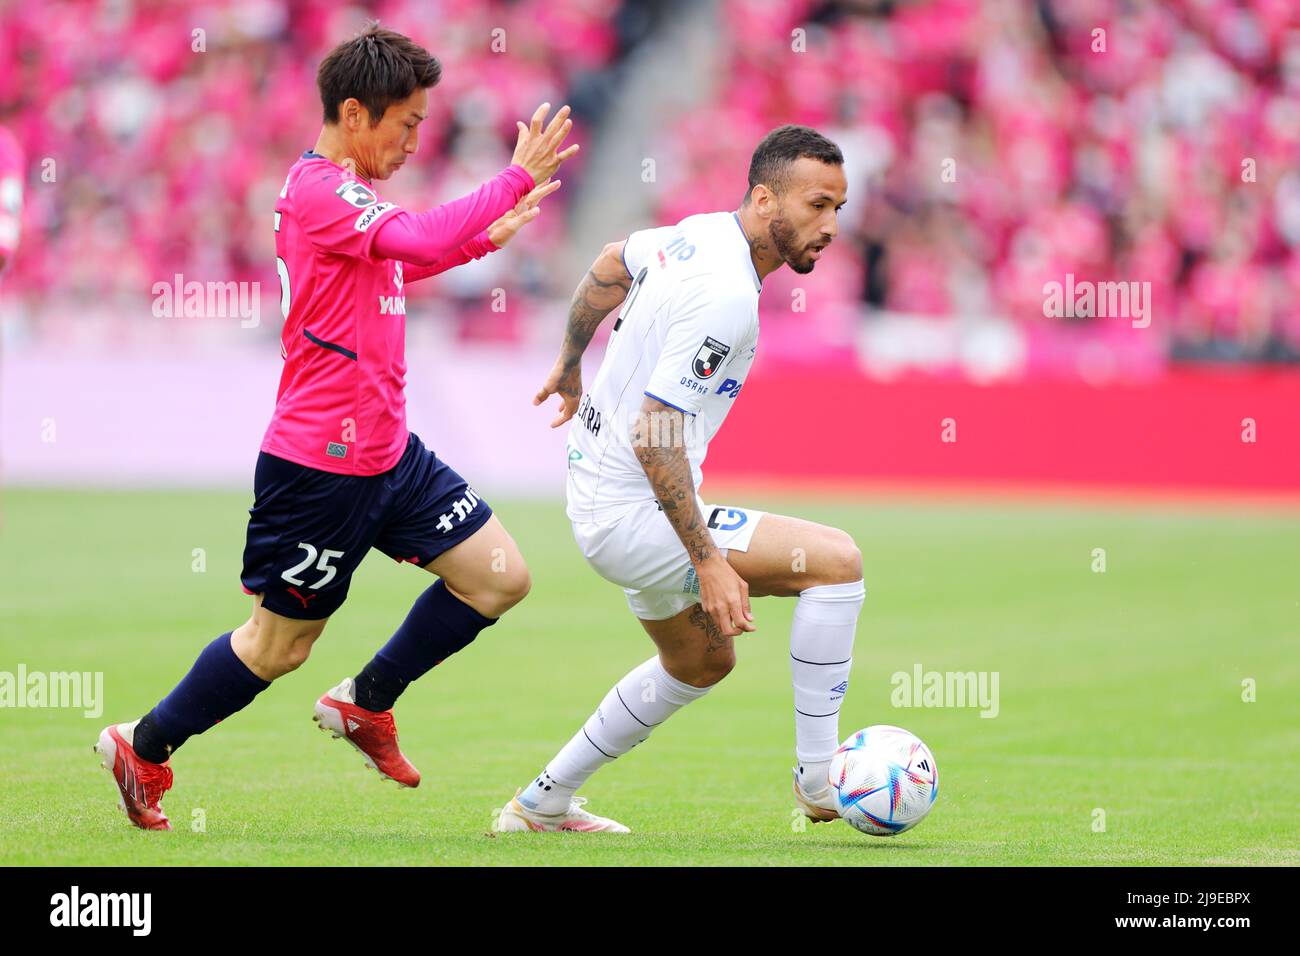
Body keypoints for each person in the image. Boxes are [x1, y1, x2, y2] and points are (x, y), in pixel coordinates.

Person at [95, 24, 577, 831]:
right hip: (320, 468)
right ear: (355, 113)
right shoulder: (320, 189)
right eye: (407, 123)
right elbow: (417, 236)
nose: (415, 140)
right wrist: (508, 181)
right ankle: (143, 745)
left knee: (498, 577)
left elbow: (404, 258)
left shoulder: (349, 198)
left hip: (389, 455)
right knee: (277, 647)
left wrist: (481, 240)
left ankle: (366, 702)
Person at [496, 125, 863, 832]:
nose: (831, 226)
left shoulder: (699, 234)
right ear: (765, 200)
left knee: (701, 663)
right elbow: (655, 432)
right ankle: (820, 781)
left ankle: (541, 804)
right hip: (633, 513)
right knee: (837, 564)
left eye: (838, 209)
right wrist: (708, 561)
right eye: (817, 205)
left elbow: (612, 261)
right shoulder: (727, 294)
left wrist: (573, 357)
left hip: (603, 496)